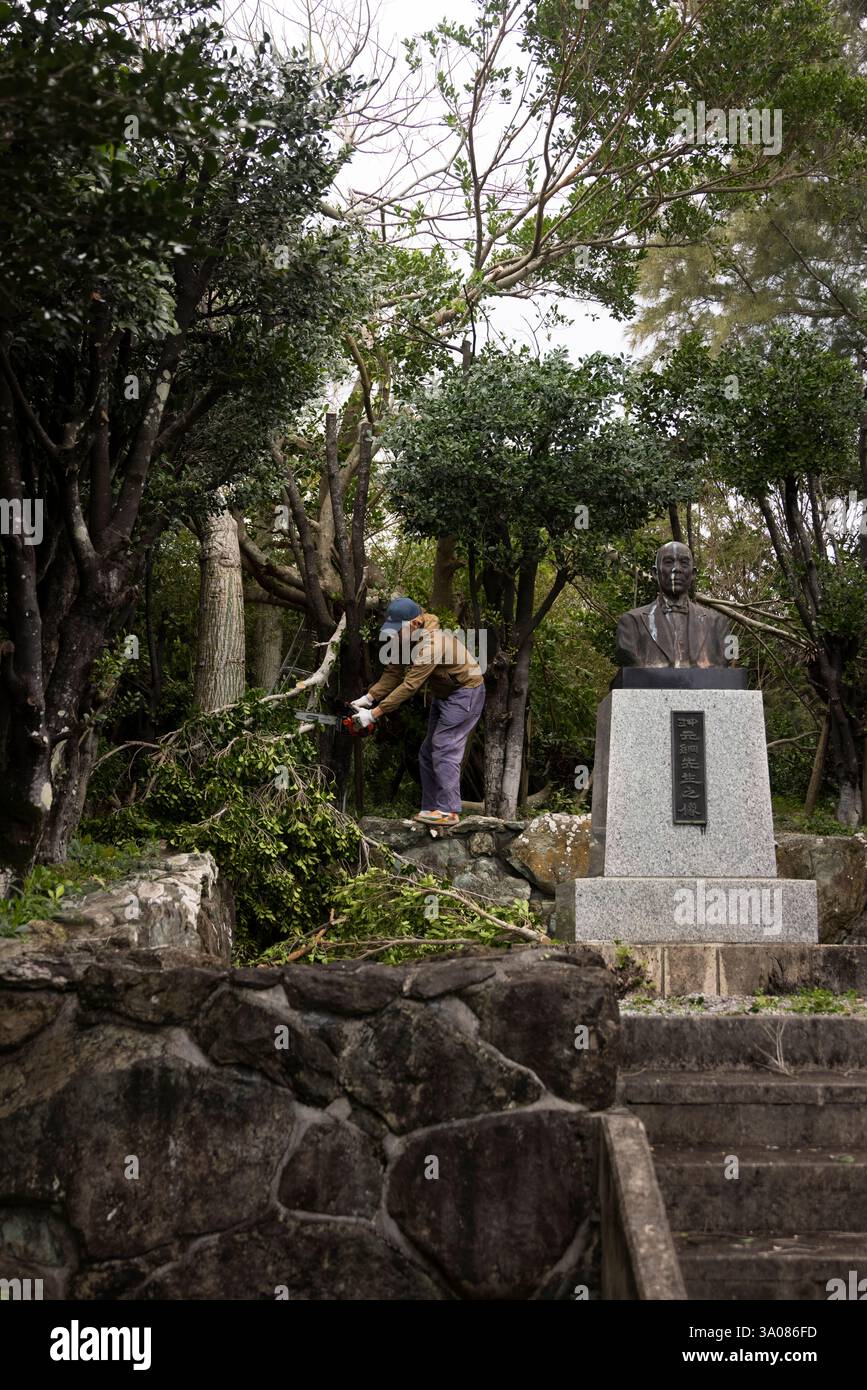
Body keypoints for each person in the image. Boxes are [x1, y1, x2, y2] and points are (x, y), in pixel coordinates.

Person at [351, 597, 485, 826]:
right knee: (427, 752)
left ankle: (449, 812)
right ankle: (431, 808)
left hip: (465, 692)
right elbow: (393, 673)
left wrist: (374, 714)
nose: (392, 635)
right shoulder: (404, 638)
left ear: (414, 624)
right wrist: (367, 699)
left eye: (396, 630)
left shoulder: (432, 645)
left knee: (444, 747)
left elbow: (410, 685)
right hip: (444, 694)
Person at [615, 541, 733, 668]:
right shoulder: (632, 622)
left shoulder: (718, 623)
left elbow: (728, 663)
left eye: (684, 563)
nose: (676, 569)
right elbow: (631, 662)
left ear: (693, 574)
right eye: (668, 562)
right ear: (655, 573)